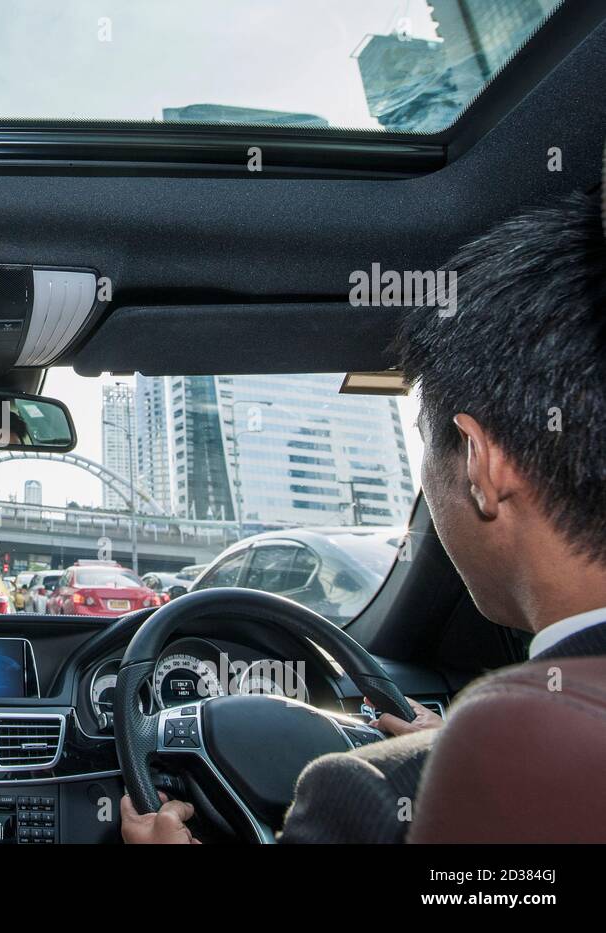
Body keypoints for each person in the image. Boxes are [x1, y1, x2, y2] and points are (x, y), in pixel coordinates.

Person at [123, 189, 606, 844]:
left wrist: (438, 764)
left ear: (480, 464)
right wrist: (448, 749)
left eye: (421, 439)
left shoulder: (373, 794)